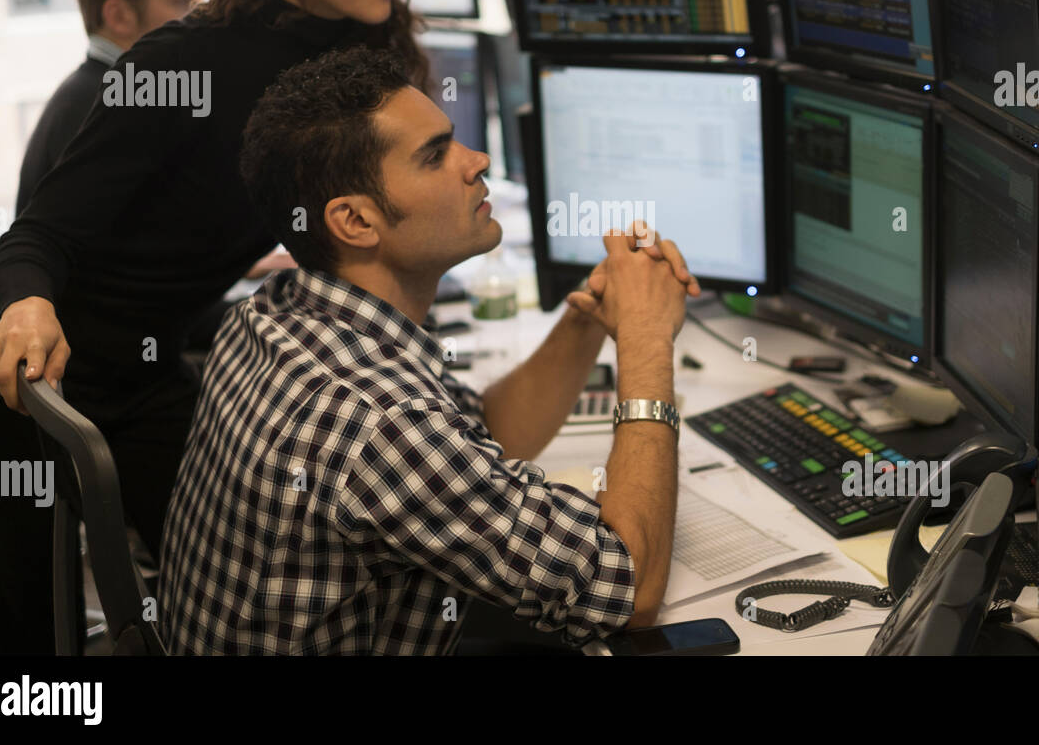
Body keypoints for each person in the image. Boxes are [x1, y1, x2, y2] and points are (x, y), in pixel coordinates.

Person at [0, 0, 429, 655]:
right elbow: (38, 236)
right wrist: (26, 305)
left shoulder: (360, 54)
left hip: (143, 363)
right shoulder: (181, 65)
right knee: (30, 637)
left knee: (242, 584)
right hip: (18, 360)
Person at [160, 45, 698, 654]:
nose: (478, 160)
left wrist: (591, 321)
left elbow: (484, 433)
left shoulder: (274, 312)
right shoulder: (375, 423)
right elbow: (629, 591)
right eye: (435, 156)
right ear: (357, 222)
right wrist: (647, 341)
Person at [16, 0, 204, 213]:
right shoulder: (106, 106)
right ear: (119, 16)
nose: (202, 16)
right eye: (183, 1)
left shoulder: (104, 93)